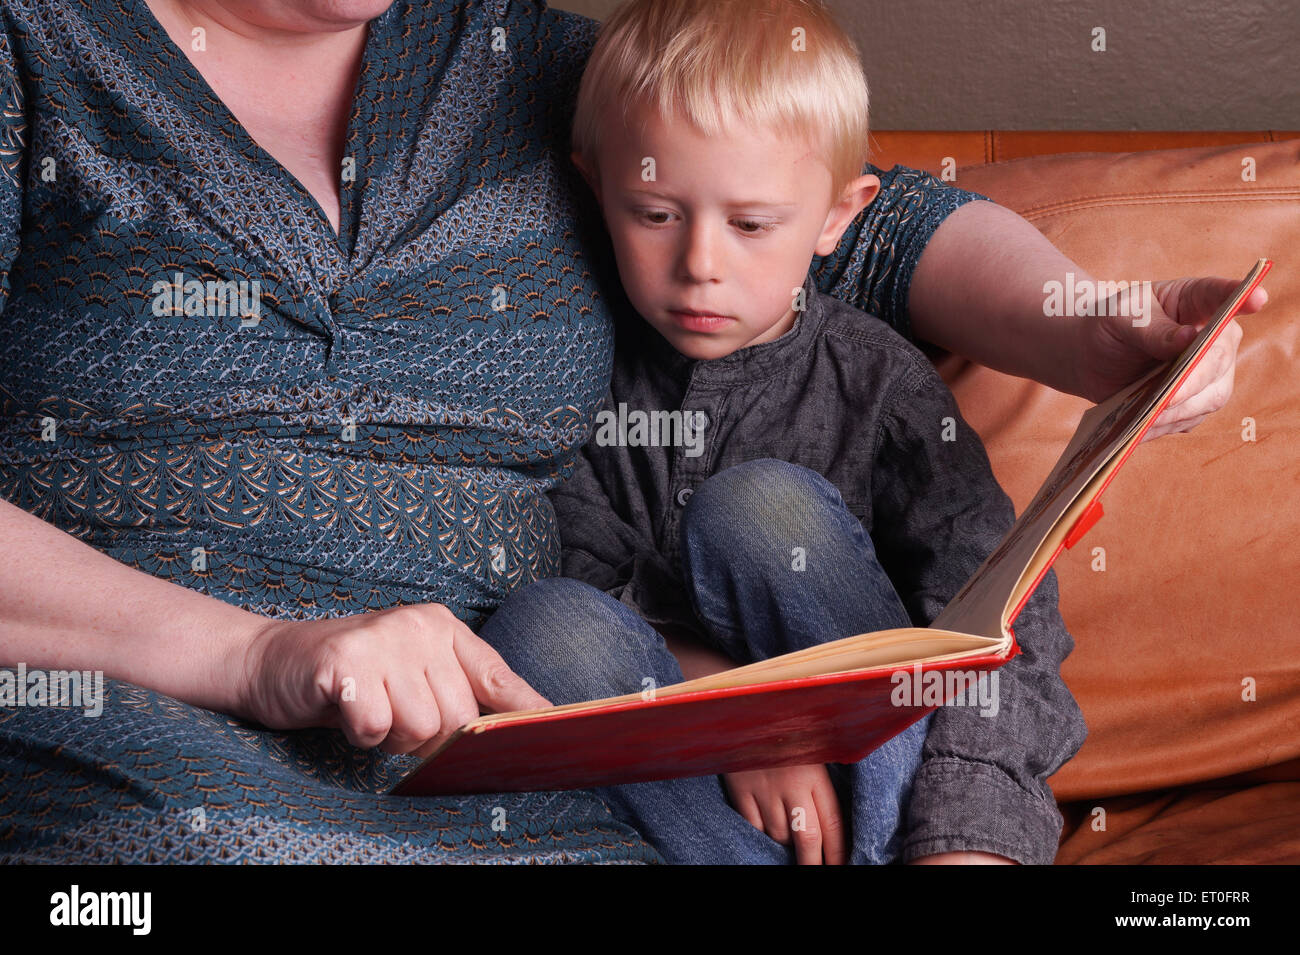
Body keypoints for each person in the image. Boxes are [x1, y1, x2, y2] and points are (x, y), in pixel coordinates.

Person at [0, 0, 1264, 864]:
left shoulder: (524, 60)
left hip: (530, 736)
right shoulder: (35, 48)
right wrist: (257, 653)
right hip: (143, 710)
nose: (702, 256)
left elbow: (860, 218)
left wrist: (1088, 324)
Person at [478, 0, 1084, 865]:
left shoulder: (875, 380)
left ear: (837, 217)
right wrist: (738, 718)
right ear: (595, 188)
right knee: (541, 627)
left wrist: (969, 838)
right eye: (654, 213)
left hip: (883, 775)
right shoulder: (570, 372)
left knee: (759, 509)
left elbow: (999, 603)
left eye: (751, 225)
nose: (701, 264)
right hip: (702, 778)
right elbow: (582, 574)